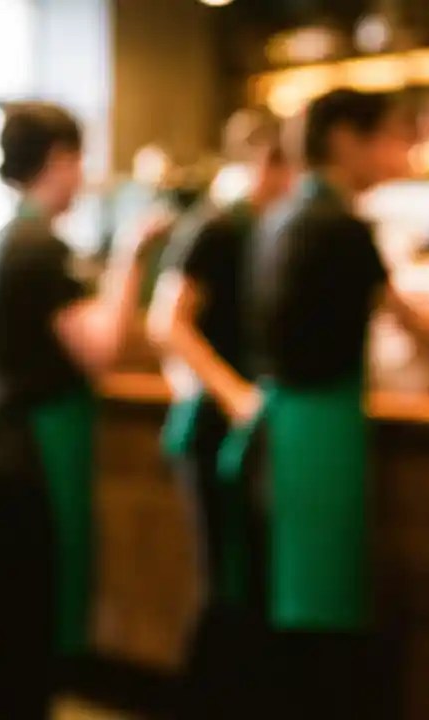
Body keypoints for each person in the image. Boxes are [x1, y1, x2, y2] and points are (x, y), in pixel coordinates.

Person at [213, 90, 429, 718]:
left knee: (289, 605)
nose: (398, 149)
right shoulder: (341, 227)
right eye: (388, 134)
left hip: (276, 423)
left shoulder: (276, 218)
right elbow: (409, 321)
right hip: (323, 428)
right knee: (325, 610)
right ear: (345, 141)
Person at [0, 102, 169, 719]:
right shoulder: (39, 246)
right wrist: (132, 253)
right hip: (25, 461)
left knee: (14, 635)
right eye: (77, 160)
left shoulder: (11, 239)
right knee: (27, 634)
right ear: (59, 160)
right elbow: (100, 351)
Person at [145, 116, 292, 715]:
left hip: (239, 424)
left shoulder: (263, 232)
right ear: (265, 164)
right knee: (225, 582)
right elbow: (167, 322)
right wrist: (234, 394)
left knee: (245, 582)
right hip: (213, 426)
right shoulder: (215, 229)